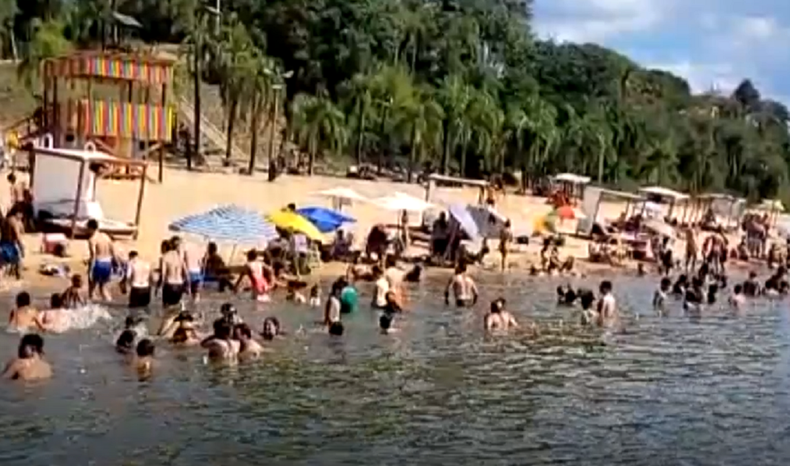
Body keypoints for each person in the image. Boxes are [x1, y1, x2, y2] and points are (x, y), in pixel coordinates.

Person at [86, 219, 116, 301]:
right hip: (108, 263)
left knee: (91, 288)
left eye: (87, 228)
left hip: (98, 263)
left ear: (91, 228)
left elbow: (93, 256)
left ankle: (91, 307)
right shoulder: (105, 236)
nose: (87, 230)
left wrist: (90, 270)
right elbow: (112, 249)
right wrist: (115, 262)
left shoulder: (92, 239)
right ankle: (109, 302)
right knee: (103, 288)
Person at [159, 238, 189, 308]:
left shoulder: (165, 256)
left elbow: (163, 274)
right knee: (175, 307)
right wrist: (188, 286)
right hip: (179, 284)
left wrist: (161, 287)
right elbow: (186, 274)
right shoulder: (180, 258)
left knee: (166, 307)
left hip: (169, 284)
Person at [176, 238, 204, 303]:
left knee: (183, 294)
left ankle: (183, 309)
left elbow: (181, 261)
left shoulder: (182, 247)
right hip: (197, 273)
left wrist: (185, 273)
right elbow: (200, 263)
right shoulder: (197, 248)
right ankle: (195, 309)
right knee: (196, 294)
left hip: (189, 272)